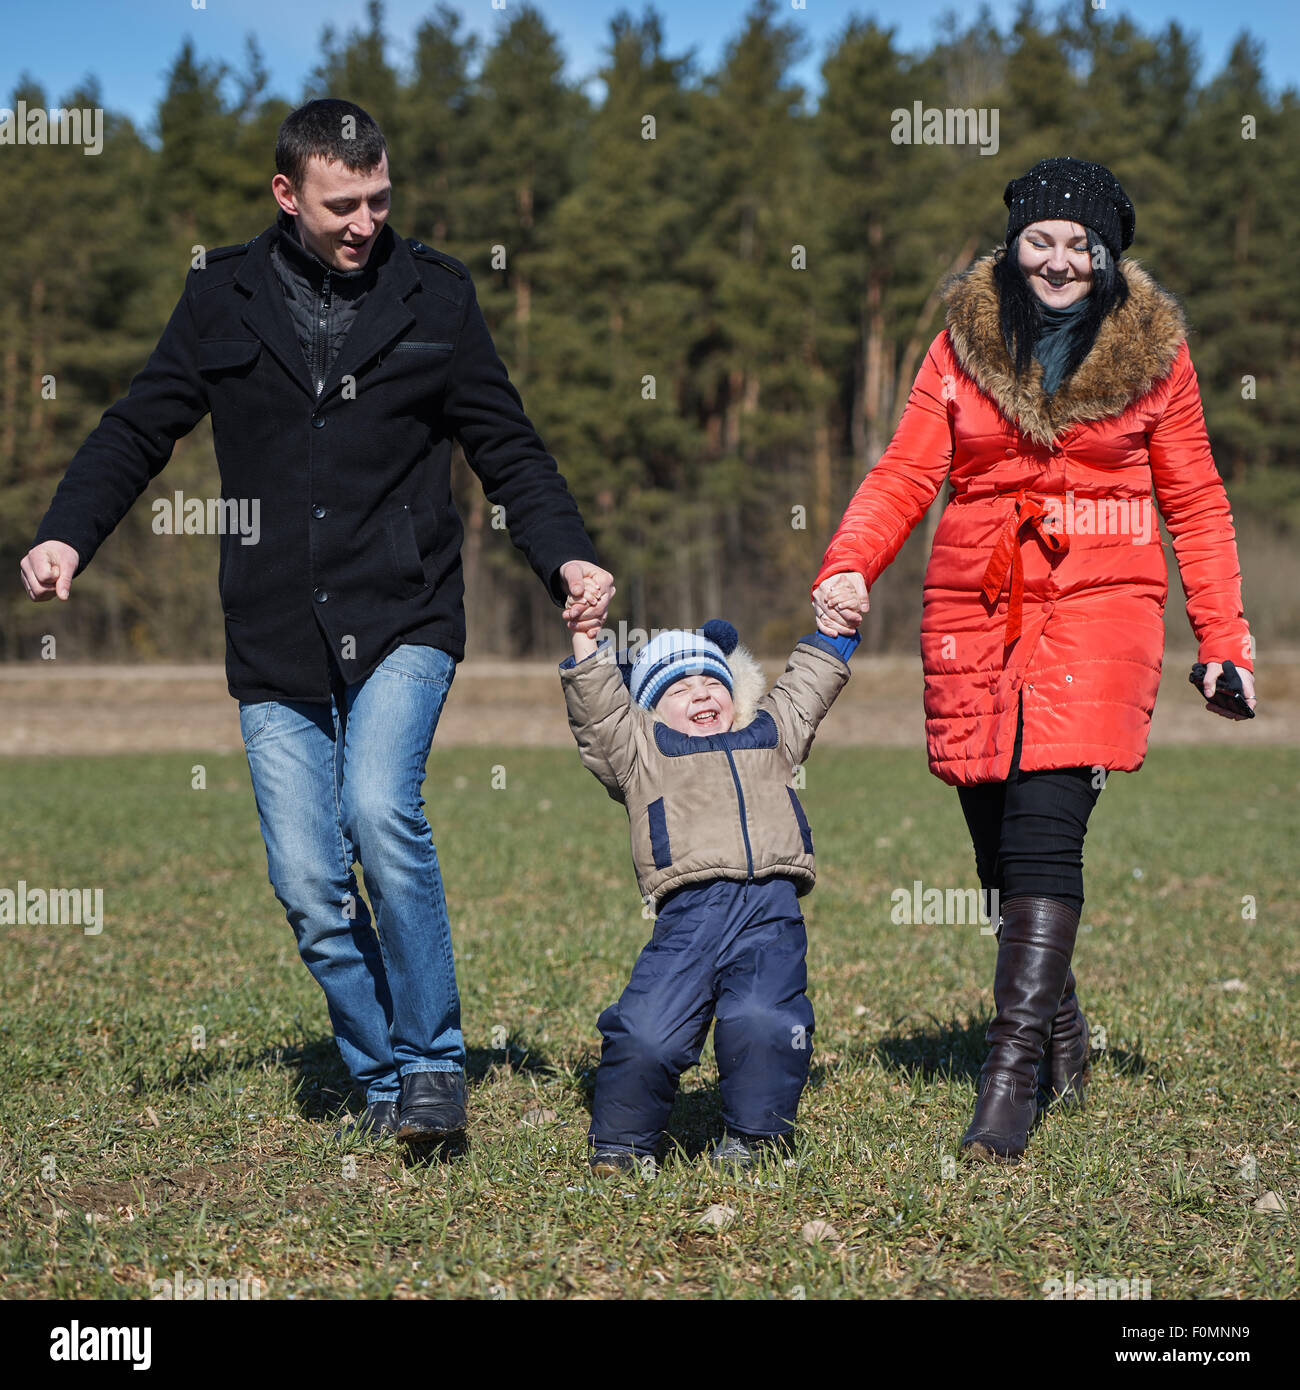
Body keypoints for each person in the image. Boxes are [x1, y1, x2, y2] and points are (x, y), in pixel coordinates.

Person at [22, 99, 613, 1143]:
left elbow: (506, 445)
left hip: (404, 610)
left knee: (381, 809)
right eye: (344, 203)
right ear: (286, 195)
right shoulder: (221, 296)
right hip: (274, 630)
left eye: (380, 198)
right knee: (305, 879)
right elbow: (138, 426)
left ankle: (433, 1064)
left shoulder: (436, 292)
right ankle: (381, 1076)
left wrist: (562, 553)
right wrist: (70, 533)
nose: (365, 221)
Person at [811, 157, 1256, 1163]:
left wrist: (1223, 641)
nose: (1059, 259)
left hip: (1104, 601)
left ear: (1107, 258)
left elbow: (1194, 501)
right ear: (1013, 245)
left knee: (1049, 821)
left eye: (1080, 244)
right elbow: (904, 472)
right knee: (995, 846)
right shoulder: (958, 347)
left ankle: (1008, 1076)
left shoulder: (1156, 358)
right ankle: (1061, 1031)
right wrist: (848, 563)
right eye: (1041, 239)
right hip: (976, 601)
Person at [560, 598, 857, 1174]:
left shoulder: (770, 734)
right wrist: (585, 638)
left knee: (767, 1019)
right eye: (678, 688)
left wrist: (835, 630)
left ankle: (756, 1138)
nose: (700, 693)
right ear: (649, 710)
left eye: (710, 680)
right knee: (648, 1031)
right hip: (687, 918)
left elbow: (807, 686)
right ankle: (621, 1146)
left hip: (770, 913)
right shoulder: (640, 753)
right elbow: (599, 712)